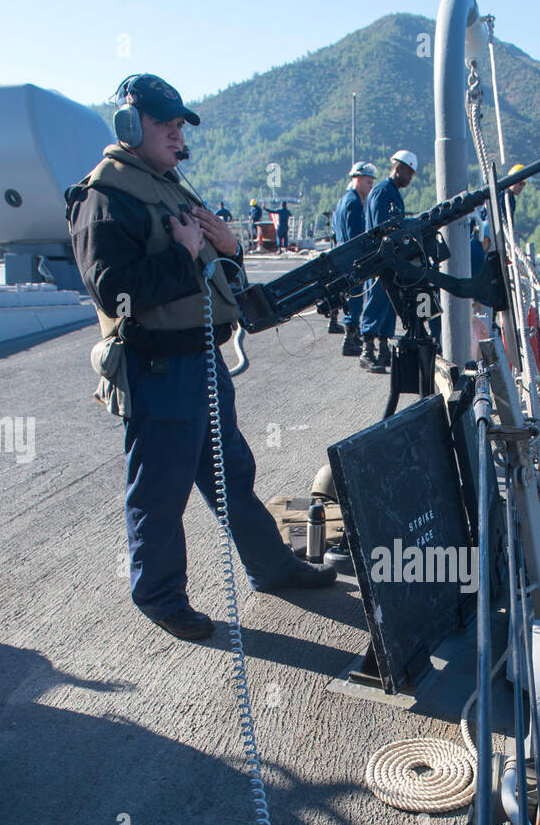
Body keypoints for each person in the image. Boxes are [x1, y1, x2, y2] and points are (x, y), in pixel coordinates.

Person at [65, 73, 335, 644]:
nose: (176, 135)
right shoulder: (105, 197)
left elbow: (222, 275)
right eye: (165, 124)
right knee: (159, 493)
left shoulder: (169, 186)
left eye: (180, 125)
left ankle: (271, 567)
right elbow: (114, 291)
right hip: (157, 369)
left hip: (200, 362)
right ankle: (159, 598)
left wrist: (229, 249)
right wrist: (187, 254)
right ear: (130, 126)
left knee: (232, 475)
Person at [359, 150, 417, 373]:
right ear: (399, 168)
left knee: (387, 304)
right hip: (379, 258)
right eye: (409, 173)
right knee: (376, 301)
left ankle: (383, 351)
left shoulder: (390, 192)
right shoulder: (383, 192)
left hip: (390, 260)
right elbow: (383, 227)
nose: (410, 179)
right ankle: (367, 351)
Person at [332, 161, 376, 356]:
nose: (370, 187)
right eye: (368, 182)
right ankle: (350, 338)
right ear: (357, 179)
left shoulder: (343, 200)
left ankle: (352, 335)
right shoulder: (354, 203)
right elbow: (356, 235)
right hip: (352, 259)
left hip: (340, 256)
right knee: (356, 298)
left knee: (350, 298)